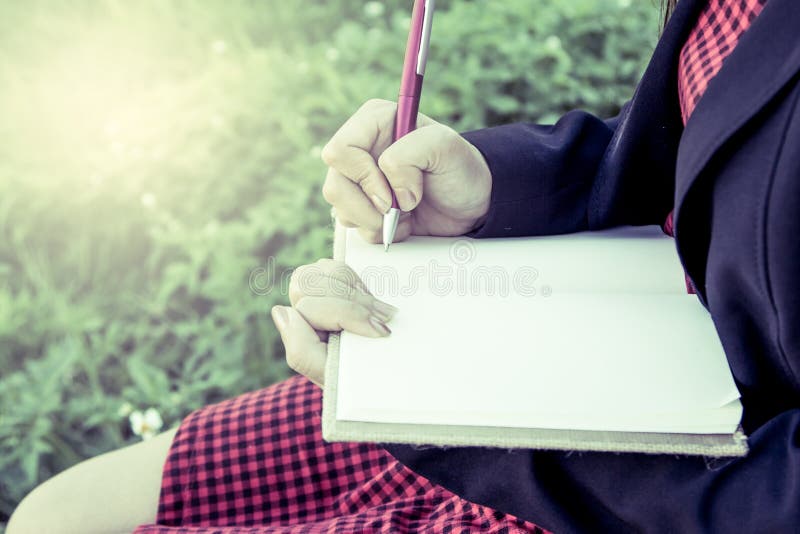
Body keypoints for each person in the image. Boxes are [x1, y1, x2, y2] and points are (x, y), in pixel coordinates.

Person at [8, 0, 800, 532]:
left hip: (632, 486)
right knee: (58, 512)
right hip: (527, 377)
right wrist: (489, 188)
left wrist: (466, 423)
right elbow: (704, 144)